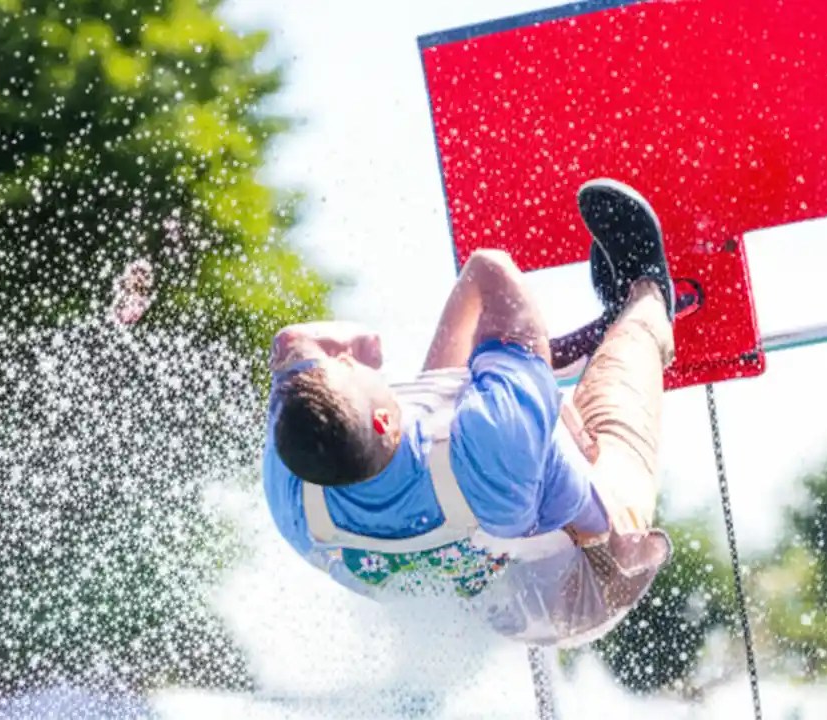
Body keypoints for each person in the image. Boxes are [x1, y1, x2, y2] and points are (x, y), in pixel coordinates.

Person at [262, 179, 696, 646]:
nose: (346, 358)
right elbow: (494, 272)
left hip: (492, 604)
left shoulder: (292, 496)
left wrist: (339, 364)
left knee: (442, 415)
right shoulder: (493, 437)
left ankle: (536, 374)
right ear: (381, 421)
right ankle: (648, 297)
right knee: (614, 406)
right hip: (591, 582)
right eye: (346, 365)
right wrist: (356, 342)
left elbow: (292, 354)